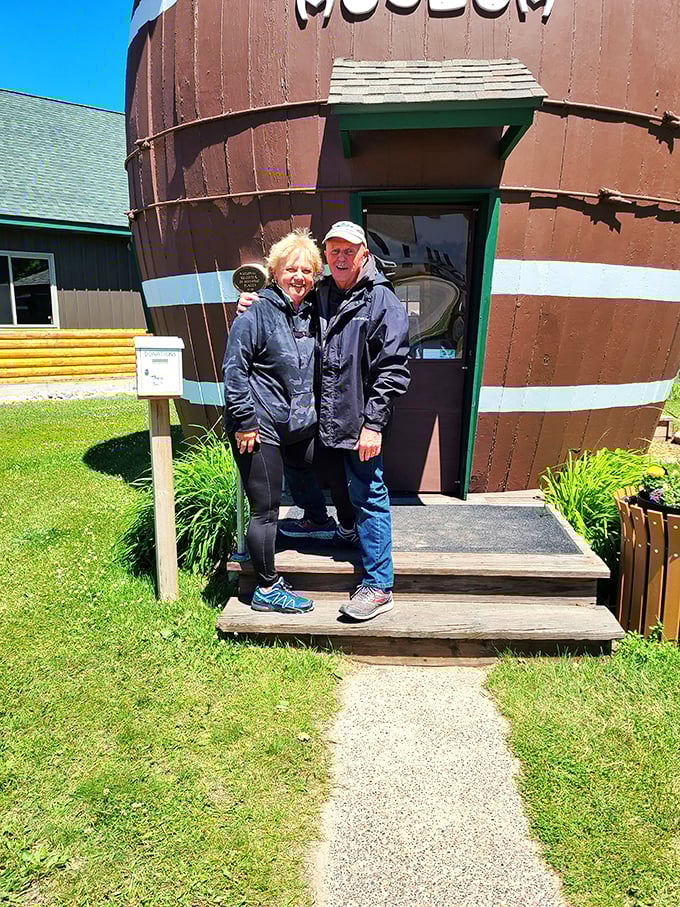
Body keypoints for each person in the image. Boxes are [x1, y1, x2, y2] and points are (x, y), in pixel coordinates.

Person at [239, 221, 411, 622]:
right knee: (307, 466)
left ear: (364, 254)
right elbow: (288, 303)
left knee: (369, 494)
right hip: (323, 418)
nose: (341, 258)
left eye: (349, 251)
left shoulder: (382, 301)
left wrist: (374, 425)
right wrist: (253, 302)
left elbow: (393, 370)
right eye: (334, 251)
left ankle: (379, 586)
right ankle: (329, 523)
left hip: (361, 421)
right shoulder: (324, 292)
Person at [223, 228, 354, 614]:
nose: (299, 276)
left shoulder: (313, 312)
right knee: (266, 508)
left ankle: (332, 524)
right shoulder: (256, 313)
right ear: (275, 272)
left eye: (307, 270)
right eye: (291, 269)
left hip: (298, 423)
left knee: (333, 463)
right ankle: (266, 587)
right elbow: (234, 371)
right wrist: (245, 421)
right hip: (258, 426)